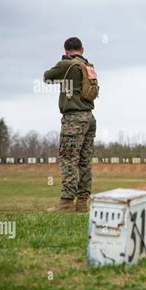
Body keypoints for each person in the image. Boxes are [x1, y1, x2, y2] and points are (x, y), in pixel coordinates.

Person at [43, 37, 98, 213]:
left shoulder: (66, 65)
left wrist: (64, 62)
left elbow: (47, 77)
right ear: (82, 49)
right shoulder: (89, 66)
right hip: (89, 118)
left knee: (69, 160)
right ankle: (82, 203)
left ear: (66, 50)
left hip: (73, 119)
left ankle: (66, 203)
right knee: (84, 161)